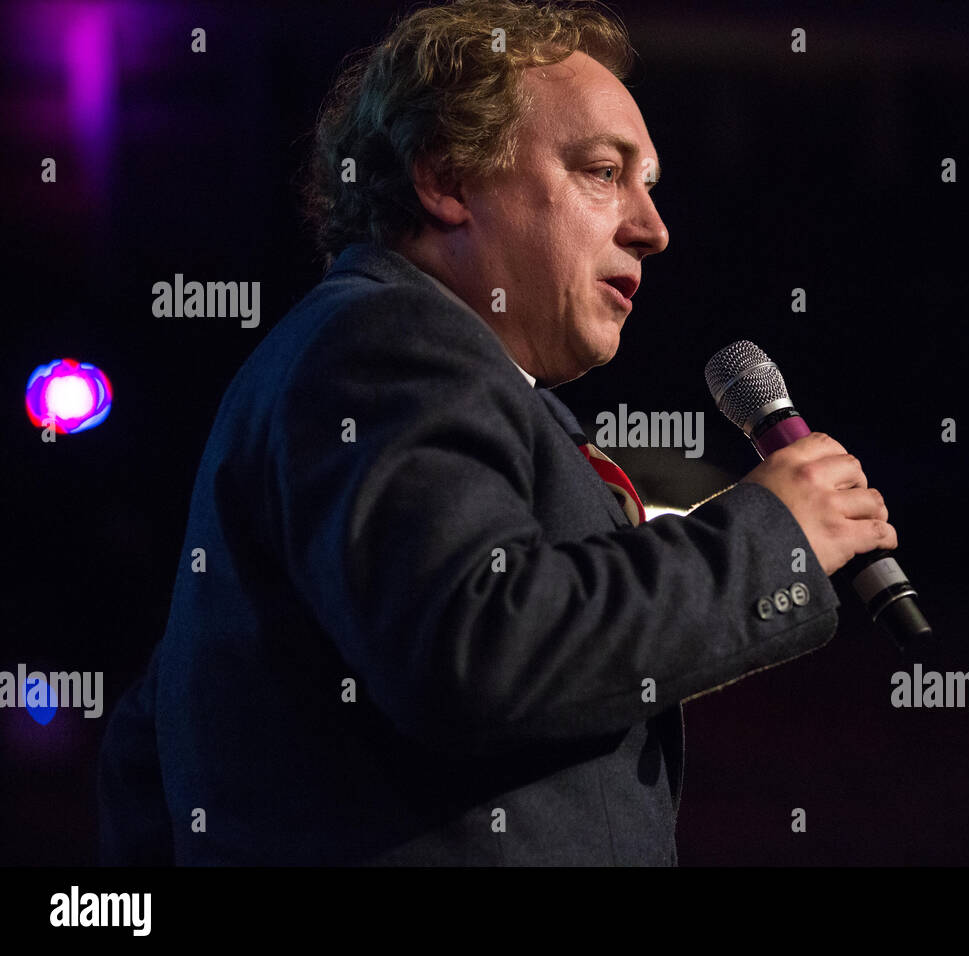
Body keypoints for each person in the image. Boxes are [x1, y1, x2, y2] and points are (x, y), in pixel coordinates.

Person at [97, 0, 896, 865]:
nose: (652, 228)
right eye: (602, 172)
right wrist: (768, 537)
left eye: (649, 185)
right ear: (446, 179)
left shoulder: (393, 366)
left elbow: (151, 743)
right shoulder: (388, 346)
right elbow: (473, 645)